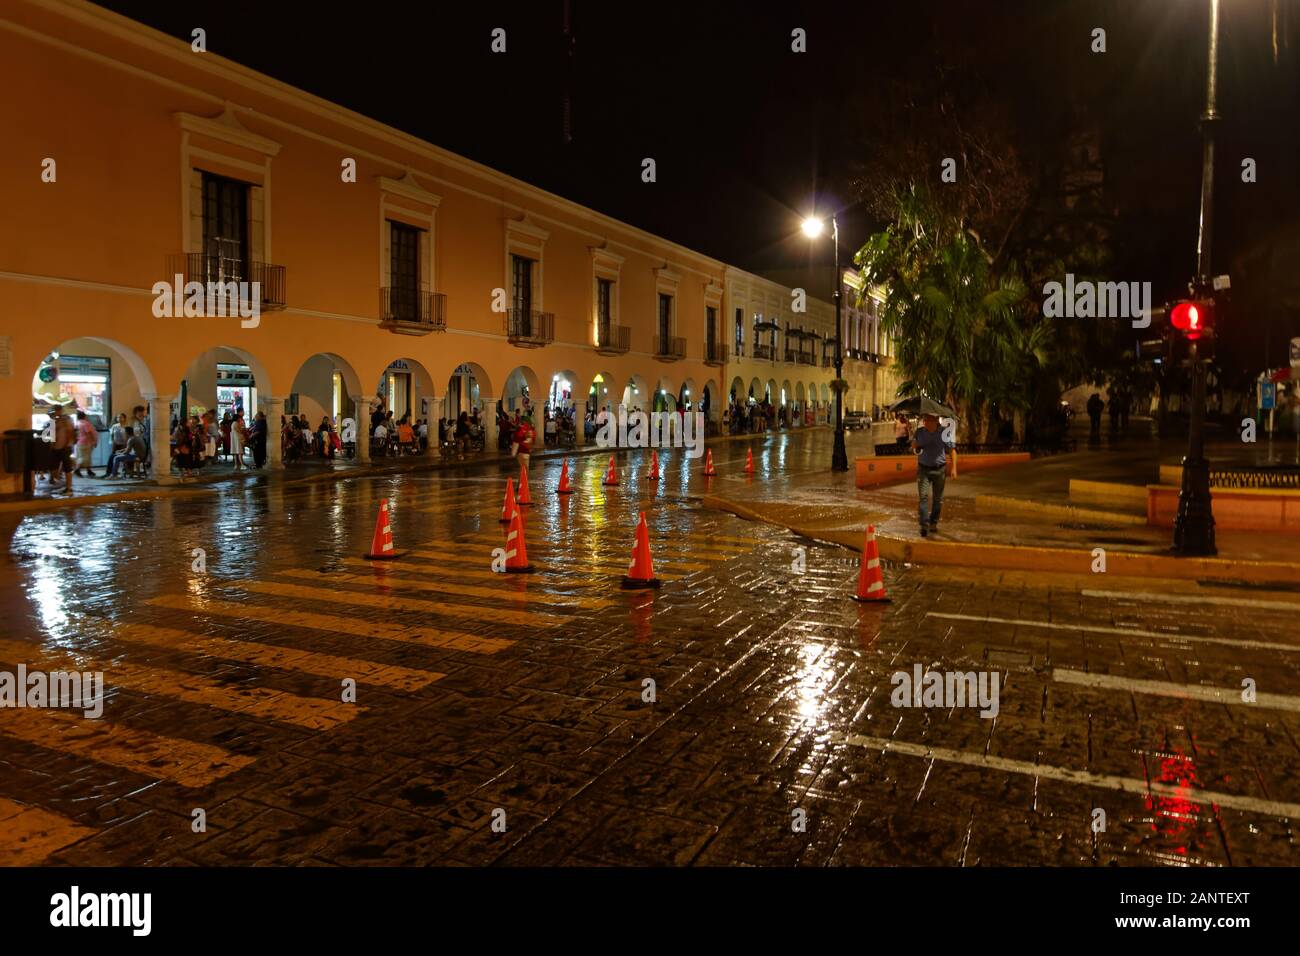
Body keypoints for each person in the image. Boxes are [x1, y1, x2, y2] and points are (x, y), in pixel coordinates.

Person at [911, 413, 956, 538]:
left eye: (928, 420)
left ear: (936, 420)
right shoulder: (919, 432)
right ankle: (924, 525)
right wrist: (915, 444)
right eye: (924, 420)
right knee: (923, 497)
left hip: (939, 470)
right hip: (923, 469)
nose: (925, 422)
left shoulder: (944, 433)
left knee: (938, 500)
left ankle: (933, 523)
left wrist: (954, 468)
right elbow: (914, 446)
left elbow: (952, 450)